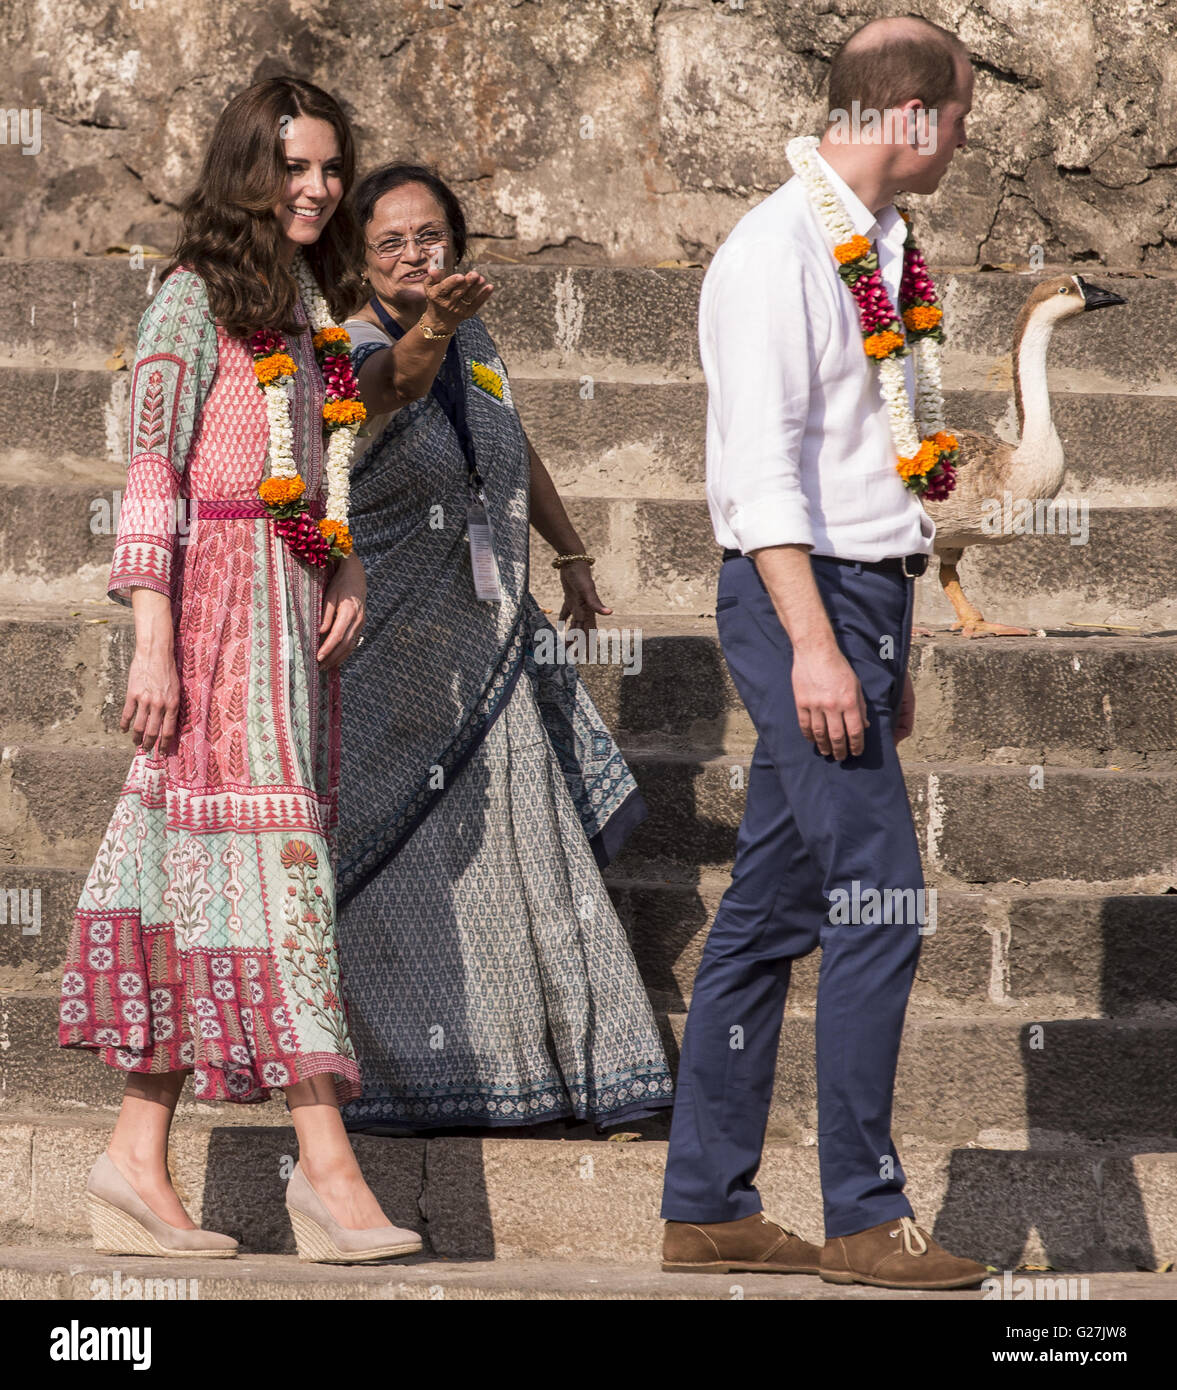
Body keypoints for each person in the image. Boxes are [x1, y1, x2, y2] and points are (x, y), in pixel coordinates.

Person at [58, 77, 421, 1264]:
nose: (317, 189)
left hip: (289, 614)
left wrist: (346, 563)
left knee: (193, 880)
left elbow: (323, 472)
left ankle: (131, 1156)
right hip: (209, 615)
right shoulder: (187, 300)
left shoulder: (313, 311)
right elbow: (151, 475)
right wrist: (151, 640)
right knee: (277, 875)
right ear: (245, 173)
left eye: (330, 169)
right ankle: (325, 1168)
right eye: (296, 168)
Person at [659, 17, 991, 1289]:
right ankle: (862, 1209)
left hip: (864, 594)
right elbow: (758, 471)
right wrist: (812, 642)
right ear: (908, 114)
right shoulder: (771, 252)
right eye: (957, 113)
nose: (963, 138)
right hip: (792, 598)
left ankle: (705, 1207)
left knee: (769, 907)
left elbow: (867, 457)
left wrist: (881, 637)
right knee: (882, 894)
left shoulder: (886, 246)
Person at [333, 162, 674, 1133]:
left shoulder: (471, 333)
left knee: (525, 854)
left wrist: (568, 551)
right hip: (390, 656)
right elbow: (389, 387)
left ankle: (542, 1062)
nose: (414, 254)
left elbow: (509, 440)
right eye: (391, 241)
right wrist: (430, 325)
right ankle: (395, 1083)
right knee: (399, 868)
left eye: (430, 235)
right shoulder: (347, 346)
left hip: (486, 630)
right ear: (357, 258)